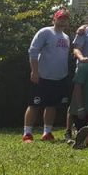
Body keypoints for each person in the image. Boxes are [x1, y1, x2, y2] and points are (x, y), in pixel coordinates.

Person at [22, 8, 71, 143]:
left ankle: (47, 133)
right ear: (54, 19)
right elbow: (33, 51)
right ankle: (27, 134)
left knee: (52, 105)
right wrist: (34, 71)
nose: (63, 20)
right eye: (60, 18)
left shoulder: (66, 37)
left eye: (66, 18)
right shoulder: (45, 32)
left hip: (59, 77)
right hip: (42, 76)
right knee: (34, 104)